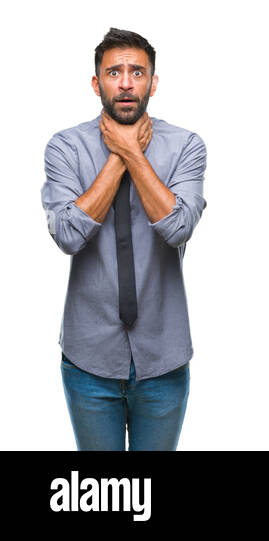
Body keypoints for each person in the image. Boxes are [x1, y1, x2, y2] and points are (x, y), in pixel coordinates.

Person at [42, 28, 207, 450]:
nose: (127, 82)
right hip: (88, 360)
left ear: (153, 82)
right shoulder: (65, 148)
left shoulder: (186, 146)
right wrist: (121, 155)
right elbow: (67, 235)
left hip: (163, 359)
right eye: (114, 72)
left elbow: (178, 228)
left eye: (137, 72)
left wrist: (134, 153)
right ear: (97, 84)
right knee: (104, 493)